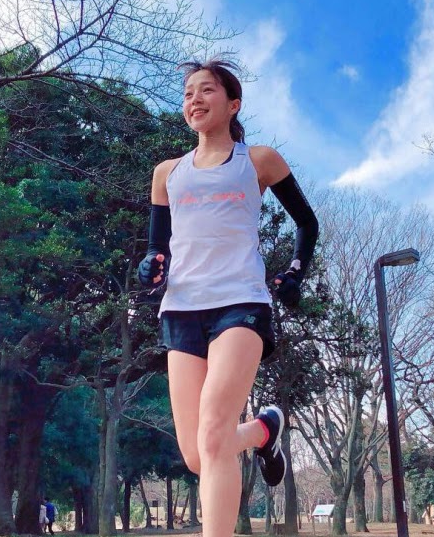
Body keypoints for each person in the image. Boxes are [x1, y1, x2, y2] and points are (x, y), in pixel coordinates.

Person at [137, 59, 318, 537]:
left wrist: (294, 273)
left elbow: (307, 222)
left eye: (207, 90)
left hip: (241, 303)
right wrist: (150, 265)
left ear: (233, 103)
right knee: (198, 454)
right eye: (188, 94)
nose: (194, 100)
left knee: (215, 434)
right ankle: (264, 431)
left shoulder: (257, 161)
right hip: (181, 310)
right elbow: (157, 248)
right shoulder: (167, 174)